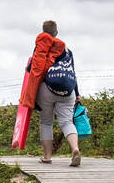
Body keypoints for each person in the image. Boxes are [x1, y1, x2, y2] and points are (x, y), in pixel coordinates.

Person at [26, 21, 82, 166]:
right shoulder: (67, 51)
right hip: (67, 90)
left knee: (46, 122)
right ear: (56, 32)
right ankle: (75, 149)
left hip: (46, 89)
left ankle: (47, 157)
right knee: (66, 122)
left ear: (43, 32)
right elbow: (72, 73)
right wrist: (77, 93)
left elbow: (33, 68)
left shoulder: (42, 46)